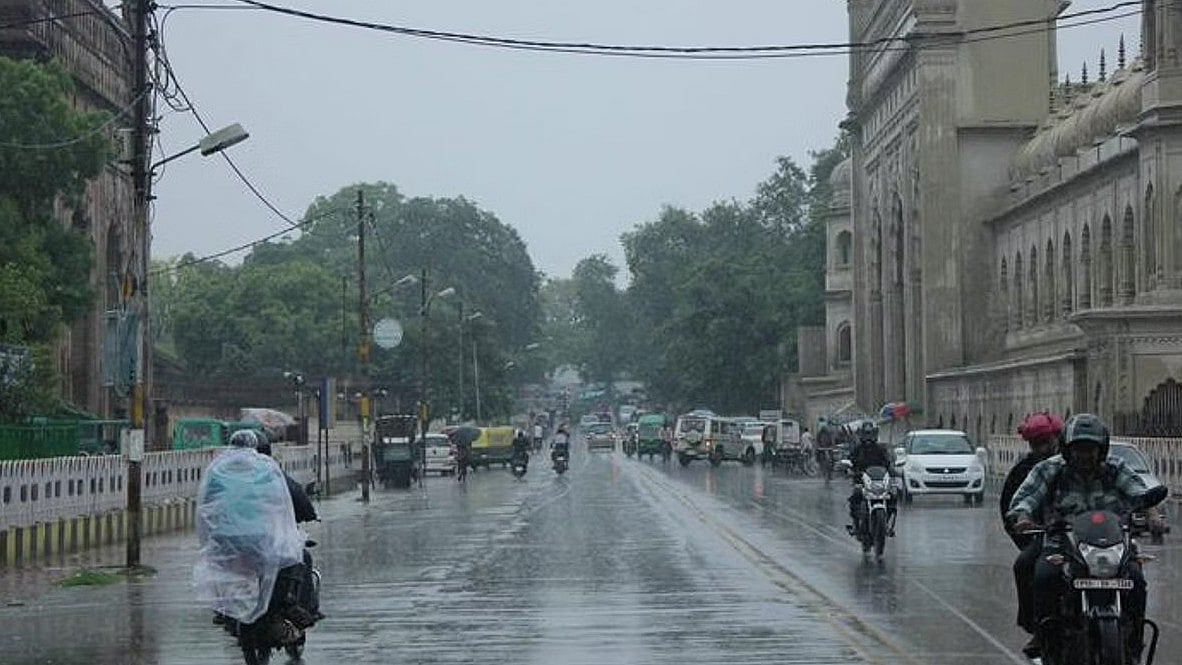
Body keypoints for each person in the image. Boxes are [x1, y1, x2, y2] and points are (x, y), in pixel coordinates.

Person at [1007, 413, 1153, 663]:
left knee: (1136, 579)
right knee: (1041, 575)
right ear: (1066, 448)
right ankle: (1044, 637)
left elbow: (1140, 494)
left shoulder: (1116, 468)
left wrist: (1152, 514)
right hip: (1062, 544)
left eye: (1091, 449)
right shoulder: (1049, 469)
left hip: (1113, 545)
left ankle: (1133, 641)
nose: (1085, 455)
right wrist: (1022, 518)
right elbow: (1025, 499)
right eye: (1078, 449)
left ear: (1102, 449)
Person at [999, 411, 1062, 658]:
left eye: (1047, 442)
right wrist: (1027, 528)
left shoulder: (1100, 467)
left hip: (1095, 539)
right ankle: (1039, 626)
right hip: (1053, 537)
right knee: (1027, 566)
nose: (1043, 448)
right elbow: (1015, 506)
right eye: (1037, 444)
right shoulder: (1035, 472)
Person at [255, 433, 323, 622]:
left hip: (239, 546)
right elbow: (299, 497)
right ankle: (304, 608)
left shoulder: (229, 479)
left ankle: (224, 612)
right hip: (270, 545)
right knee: (304, 558)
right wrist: (311, 514)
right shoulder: (275, 476)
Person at [846, 422, 895, 534]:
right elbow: (849, 461)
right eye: (866, 434)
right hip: (861, 481)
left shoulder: (881, 449)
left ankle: (887, 523)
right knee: (855, 497)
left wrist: (893, 471)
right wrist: (849, 469)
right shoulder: (857, 449)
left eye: (870, 434)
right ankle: (856, 524)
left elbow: (888, 463)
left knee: (892, 496)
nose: (868, 437)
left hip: (879, 481)